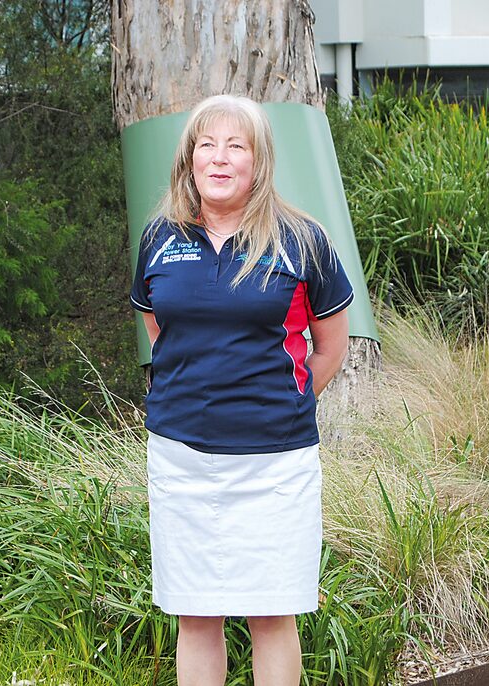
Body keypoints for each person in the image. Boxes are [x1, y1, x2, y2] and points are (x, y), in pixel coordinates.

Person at [129, 93, 353, 686]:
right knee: (195, 615)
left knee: (272, 613)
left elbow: (332, 346)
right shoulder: (159, 237)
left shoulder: (303, 240)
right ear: (189, 159)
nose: (220, 158)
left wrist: (284, 404)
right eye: (208, 145)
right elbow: (162, 329)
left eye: (237, 146)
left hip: (275, 463)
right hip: (181, 459)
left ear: (259, 161)